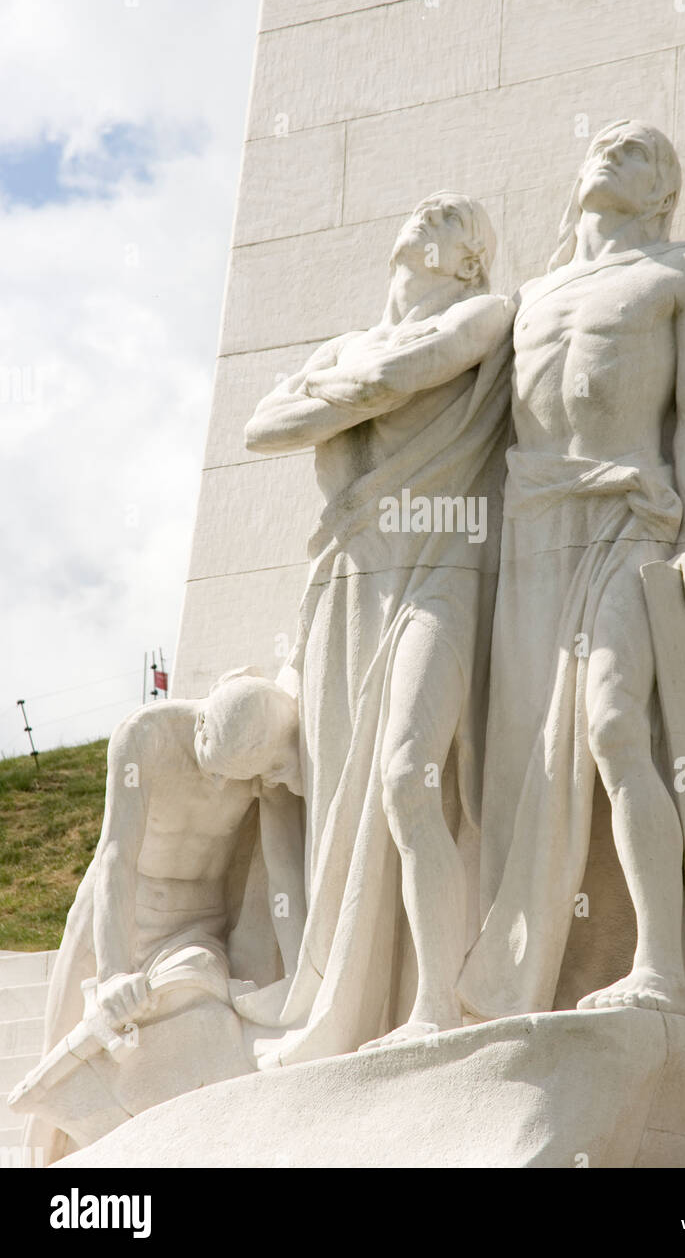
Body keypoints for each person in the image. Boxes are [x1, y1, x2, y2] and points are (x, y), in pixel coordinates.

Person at [458, 121, 685, 1023]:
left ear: (663, 191)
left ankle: (660, 965)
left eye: (640, 151)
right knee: (515, 761)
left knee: (616, 727)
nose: (613, 152)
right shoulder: (531, 294)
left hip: (631, 514)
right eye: (607, 144)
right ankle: (511, 979)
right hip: (532, 530)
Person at [240, 192, 514, 1061]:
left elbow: (401, 377)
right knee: (336, 804)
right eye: (422, 212)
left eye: (447, 219)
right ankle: (342, 1001)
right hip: (346, 584)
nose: (423, 219)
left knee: (406, 774)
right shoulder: (346, 347)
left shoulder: (484, 310)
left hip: (442, 568)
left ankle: (438, 1003)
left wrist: (329, 395)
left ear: (469, 259)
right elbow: (260, 429)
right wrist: (346, 387)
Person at [20, 670, 302, 1161]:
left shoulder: (261, 760)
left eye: (228, 775)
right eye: (211, 767)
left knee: (202, 1022)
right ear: (202, 730)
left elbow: (280, 873)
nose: (216, 782)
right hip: (113, 914)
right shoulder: (144, 736)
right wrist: (110, 977)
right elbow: (115, 857)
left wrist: (302, 976)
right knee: (59, 1067)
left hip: (193, 928)